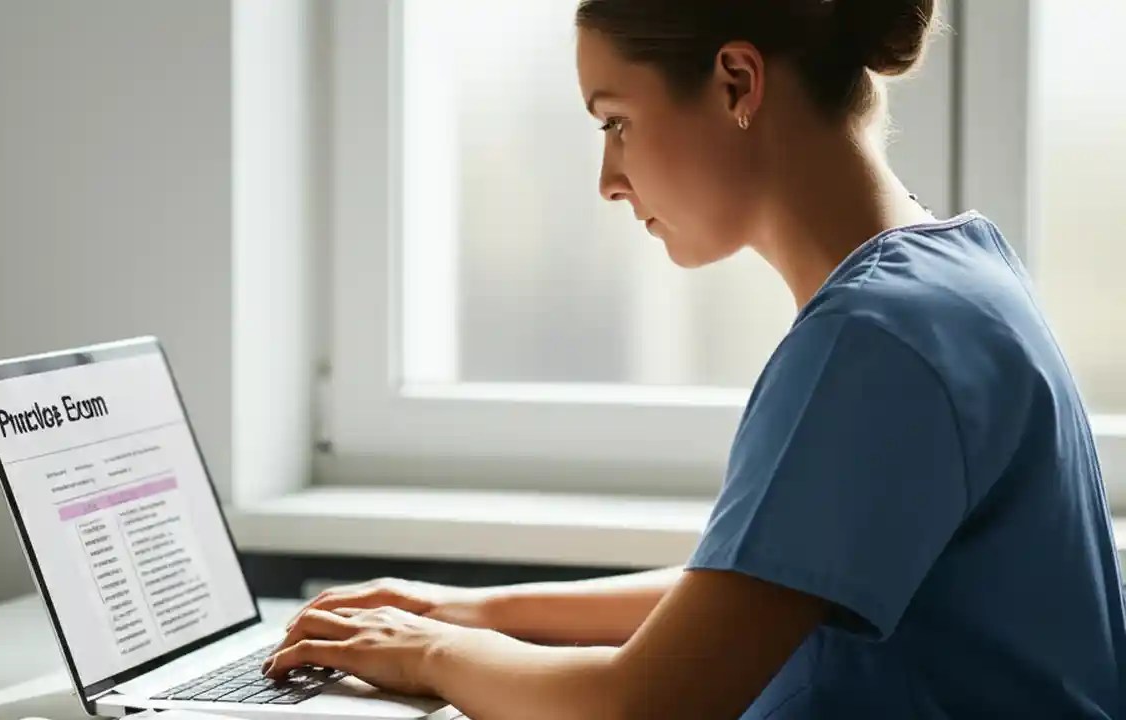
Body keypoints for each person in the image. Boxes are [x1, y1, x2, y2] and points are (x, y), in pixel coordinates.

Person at [264, 0, 1126, 717]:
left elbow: (647, 703)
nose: (608, 177)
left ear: (736, 83)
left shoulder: (877, 340)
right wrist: (468, 609)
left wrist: (434, 654)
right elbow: (749, 595)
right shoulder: (952, 281)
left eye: (617, 122)